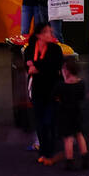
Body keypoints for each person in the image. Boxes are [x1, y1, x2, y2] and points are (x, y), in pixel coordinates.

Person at [24, 21, 63, 165]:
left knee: (48, 122)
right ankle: (43, 152)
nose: (50, 34)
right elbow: (27, 64)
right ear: (39, 35)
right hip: (37, 91)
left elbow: (54, 67)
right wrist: (34, 66)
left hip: (52, 91)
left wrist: (36, 67)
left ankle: (49, 152)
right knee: (40, 123)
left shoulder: (56, 49)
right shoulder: (30, 48)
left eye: (50, 32)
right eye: (47, 32)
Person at [55, 56, 88, 171]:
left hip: (65, 113)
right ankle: (85, 158)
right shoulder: (81, 84)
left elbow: (56, 97)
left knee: (68, 137)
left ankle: (70, 161)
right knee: (79, 134)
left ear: (66, 70)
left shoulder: (61, 86)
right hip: (77, 111)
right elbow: (82, 97)